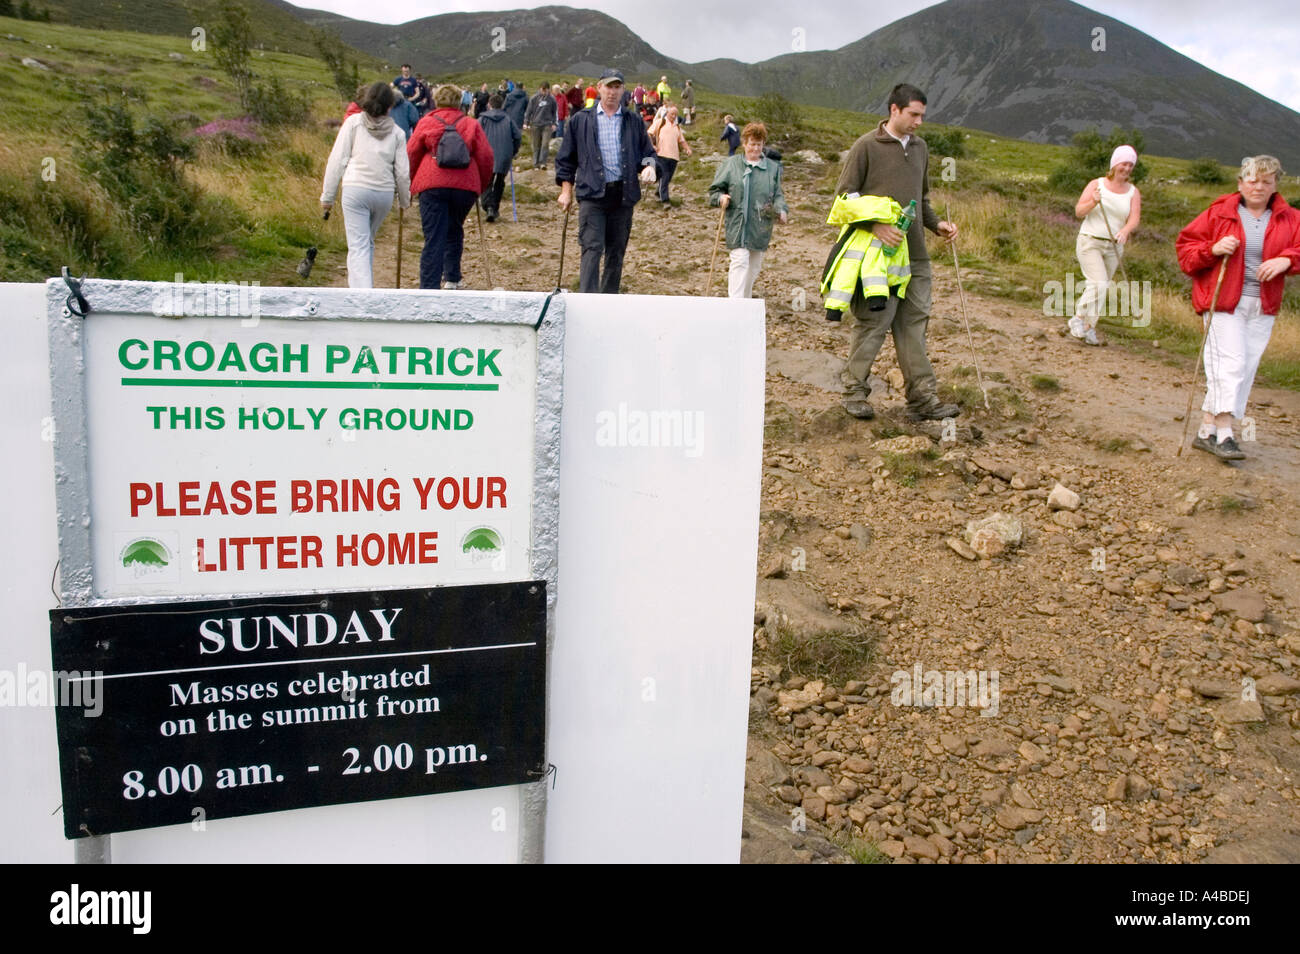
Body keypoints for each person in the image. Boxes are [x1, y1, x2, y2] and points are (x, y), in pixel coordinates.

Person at [833, 82, 960, 422]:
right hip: (877, 257)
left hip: (916, 256)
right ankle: (854, 392)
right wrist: (875, 226)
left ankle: (922, 401)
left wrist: (936, 225)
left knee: (914, 326)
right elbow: (843, 201)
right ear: (894, 110)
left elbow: (923, 198)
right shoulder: (866, 147)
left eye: (922, 115)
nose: (919, 122)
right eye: (913, 114)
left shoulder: (920, 148)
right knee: (873, 323)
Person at [1176, 155, 1300, 461]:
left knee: (1243, 368)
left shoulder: (1290, 218)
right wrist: (1213, 249)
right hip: (1222, 301)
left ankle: (1206, 431)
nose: (1258, 187)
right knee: (1230, 363)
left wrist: (1287, 260)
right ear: (1240, 183)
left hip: (1262, 305)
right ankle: (1226, 434)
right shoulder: (1220, 213)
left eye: (1266, 181)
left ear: (1275, 186)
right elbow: (1186, 251)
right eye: (1252, 180)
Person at [555, 68, 659, 294]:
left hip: (623, 195)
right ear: (599, 87)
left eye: (617, 87)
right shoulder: (580, 120)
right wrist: (566, 191)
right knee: (592, 248)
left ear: (623, 90)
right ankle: (588, 301)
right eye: (608, 86)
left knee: (616, 251)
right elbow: (566, 160)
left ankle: (608, 302)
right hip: (592, 194)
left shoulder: (633, 120)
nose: (612, 92)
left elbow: (648, 152)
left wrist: (650, 166)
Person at [320, 82, 410, 289]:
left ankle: (361, 296)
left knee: (358, 244)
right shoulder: (397, 133)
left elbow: (338, 160)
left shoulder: (353, 123)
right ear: (390, 106)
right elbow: (402, 173)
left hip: (356, 190)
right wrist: (404, 200)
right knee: (367, 241)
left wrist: (328, 196)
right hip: (383, 194)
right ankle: (364, 288)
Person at [407, 84, 494, 289]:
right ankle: (453, 278)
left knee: (434, 236)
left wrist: (410, 184)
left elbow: (411, 153)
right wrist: (480, 185)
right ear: (458, 101)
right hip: (465, 186)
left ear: (437, 100)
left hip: (432, 183)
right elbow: (486, 157)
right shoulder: (470, 124)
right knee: (455, 228)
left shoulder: (426, 122)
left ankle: (429, 287)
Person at [1069, 145, 1142, 345]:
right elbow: (1079, 212)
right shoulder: (1097, 184)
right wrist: (1093, 201)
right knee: (1099, 283)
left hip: (1114, 246)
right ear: (1114, 164)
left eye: (1130, 165)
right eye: (1123, 163)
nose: (1127, 168)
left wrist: (1125, 231)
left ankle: (1088, 328)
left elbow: (1134, 218)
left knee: (1102, 287)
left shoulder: (1133, 192)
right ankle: (1078, 318)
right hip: (1090, 241)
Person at [708, 122, 787, 298]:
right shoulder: (731, 164)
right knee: (740, 261)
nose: (755, 148)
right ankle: (735, 304)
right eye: (752, 143)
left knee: (754, 266)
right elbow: (714, 191)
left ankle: (745, 299)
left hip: (760, 225)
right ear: (744, 143)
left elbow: (778, 194)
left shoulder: (772, 169)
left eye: (759, 144)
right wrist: (721, 198)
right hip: (737, 223)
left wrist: (781, 210)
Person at [477, 93, 520, 223]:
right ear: (502, 105)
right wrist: (513, 151)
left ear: (489, 104)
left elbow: (475, 135)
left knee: (486, 181)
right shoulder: (508, 119)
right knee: (500, 181)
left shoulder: (482, 119)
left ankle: (488, 206)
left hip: (487, 155)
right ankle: (494, 207)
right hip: (504, 154)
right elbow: (517, 137)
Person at [648, 105, 692, 207]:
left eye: (675, 114)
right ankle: (665, 201)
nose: (673, 116)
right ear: (667, 113)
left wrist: (688, 149)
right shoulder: (660, 122)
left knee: (668, 178)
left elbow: (682, 141)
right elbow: (649, 133)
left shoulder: (677, 127)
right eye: (672, 114)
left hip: (674, 157)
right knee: (665, 176)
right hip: (661, 155)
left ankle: (657, 193)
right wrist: (652, 145)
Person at [523, 82, 557, 170]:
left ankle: (543, 163)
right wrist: (526, 122)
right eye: (542, 89)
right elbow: (528, 111)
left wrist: (554, 123)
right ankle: (535, 163)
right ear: (540, 89)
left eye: (545, 90)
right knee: (536, 145)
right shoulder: (534, 98)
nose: (543, 91)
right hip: (535, 124)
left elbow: (554, 112)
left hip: (547, 125)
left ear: (548, 89)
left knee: (545, 144)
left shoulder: (552, 99)